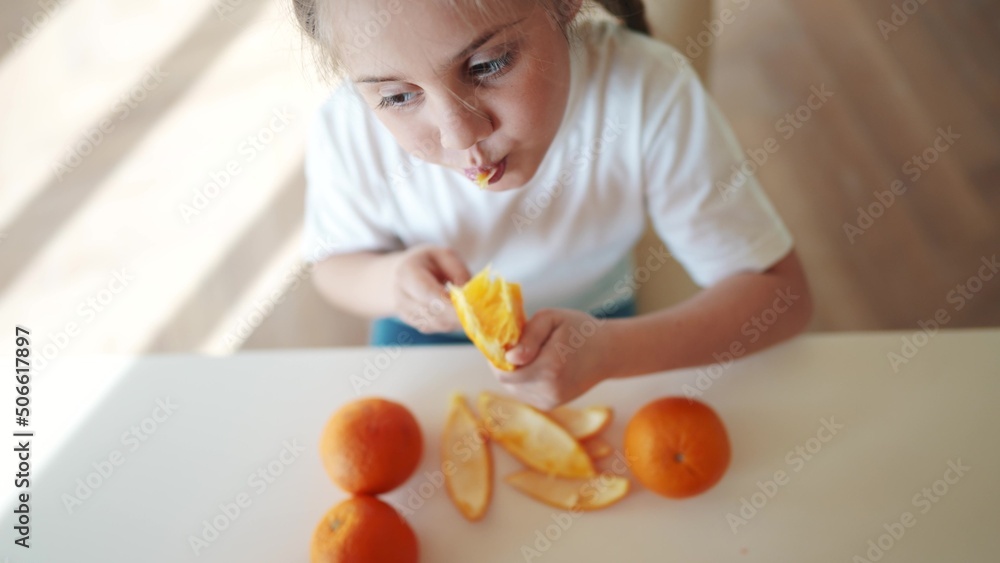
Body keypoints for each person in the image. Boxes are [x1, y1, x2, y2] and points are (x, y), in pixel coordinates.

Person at [293, 0, 813, 410]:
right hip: (420, 329)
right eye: (399, 98)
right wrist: (392, 279)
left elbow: (781, 297)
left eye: (489, 64)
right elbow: (336, 265)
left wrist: (610, 352)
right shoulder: (346, 126)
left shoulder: (647, 90)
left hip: (596, 322)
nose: (460, 134)